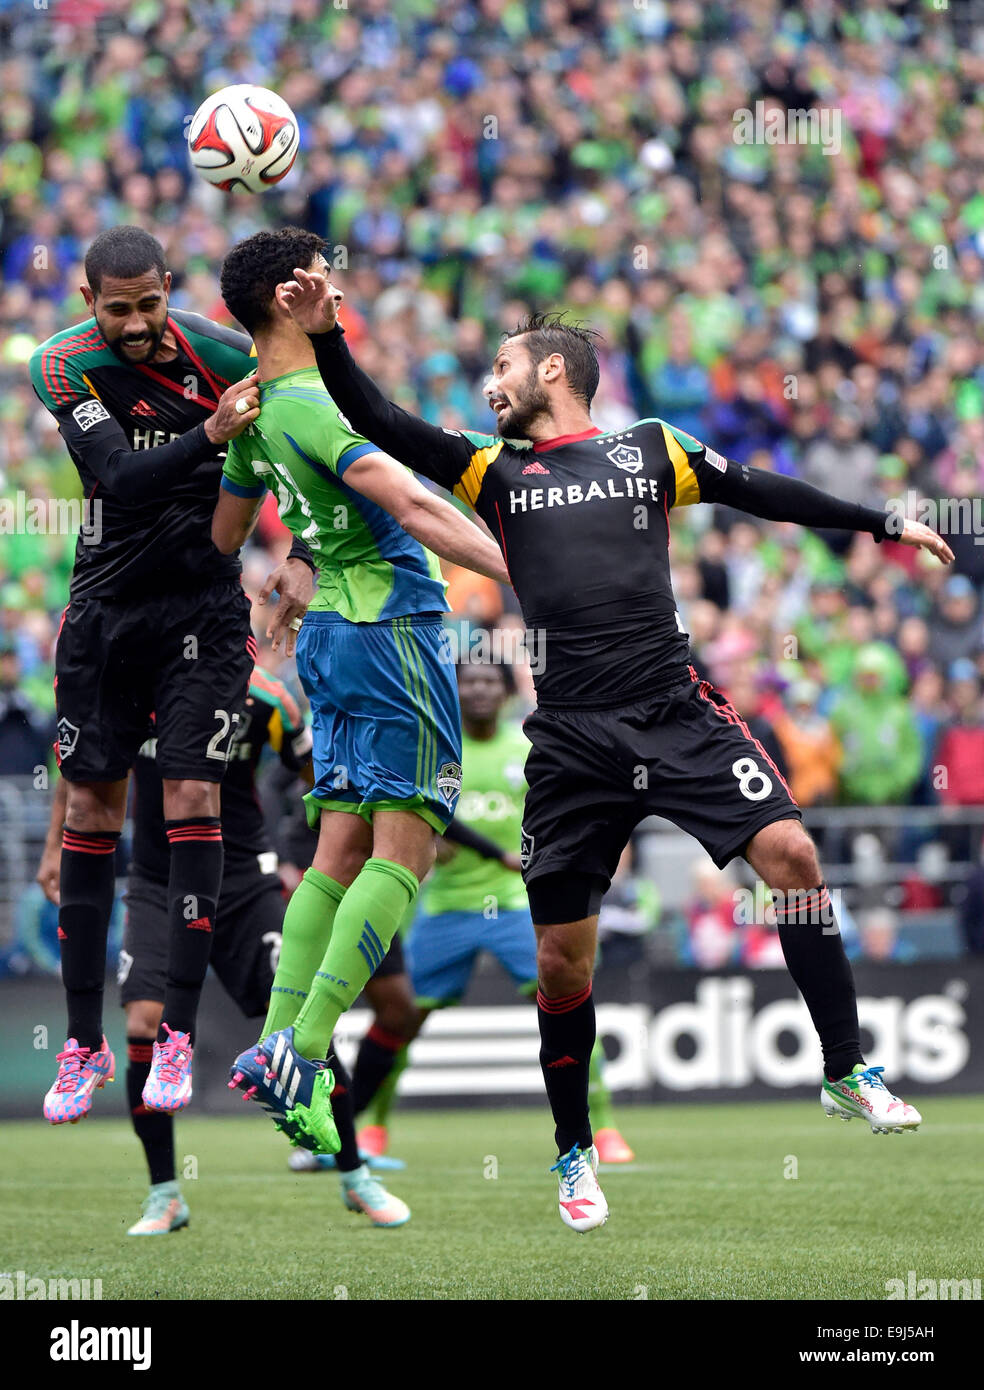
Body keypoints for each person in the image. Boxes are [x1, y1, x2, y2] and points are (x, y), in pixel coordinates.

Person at [282, 269, 953, 1231]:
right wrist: (330, 335)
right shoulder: (488, 469)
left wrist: (880, 518)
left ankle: (844, 1068)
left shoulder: (652, 450)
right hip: (569, 742)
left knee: (795, 856)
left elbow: (765, 492)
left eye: (505, 365)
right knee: (561, 965)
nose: (490, 383)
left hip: (674, 709)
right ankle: (572, 1153)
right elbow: (383, 421)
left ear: (556, 368)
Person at [211, 228, 509, 1155]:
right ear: (294, 293)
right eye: (328, 282)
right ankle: (304, 1052)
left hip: (329, 641)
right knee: (403, 855)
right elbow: (414, 505)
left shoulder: (257, 409)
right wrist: (540, 572)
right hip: (392, 632)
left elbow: (228, 531)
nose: (342, 297)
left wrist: (297, 546)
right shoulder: (312, 406)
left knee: (338, 848)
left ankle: (274, 1047)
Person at [29, 226, 316, 1125]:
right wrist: (212, 431)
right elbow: (119, 474)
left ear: (167, 289)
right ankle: (82, 1046)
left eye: (150, 303)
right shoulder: (62, 365)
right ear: (89, 305)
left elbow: (320, 424)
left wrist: (303, 549)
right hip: (106, 614)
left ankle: (180, 1038)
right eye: (118, 309)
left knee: (193, 799)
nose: (137, 322)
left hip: (204, 613)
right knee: (92, 813)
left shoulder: (226, 349)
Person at [36, 665, 410, 1230]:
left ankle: (354, 1173)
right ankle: (164, 1193)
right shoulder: (130, 685)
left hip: (242, 883)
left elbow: (318, 772)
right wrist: (50, 850)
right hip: (158, 883)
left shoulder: (268, 698)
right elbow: (77, 765)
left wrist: (314, 851)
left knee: (304, 1027)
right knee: (143, 1023)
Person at [322, 658, 635, 1167]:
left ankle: (604, 1126)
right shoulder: (441, 751)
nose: (480, 690)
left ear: (506, 691)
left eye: (490, 681)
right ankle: (375, 1126)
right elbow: (413, 807)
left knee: (568, 1000)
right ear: (455, 691)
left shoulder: (527, 747)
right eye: (469, 682)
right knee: (403, 1016)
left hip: (516, 903)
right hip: (445, 905)